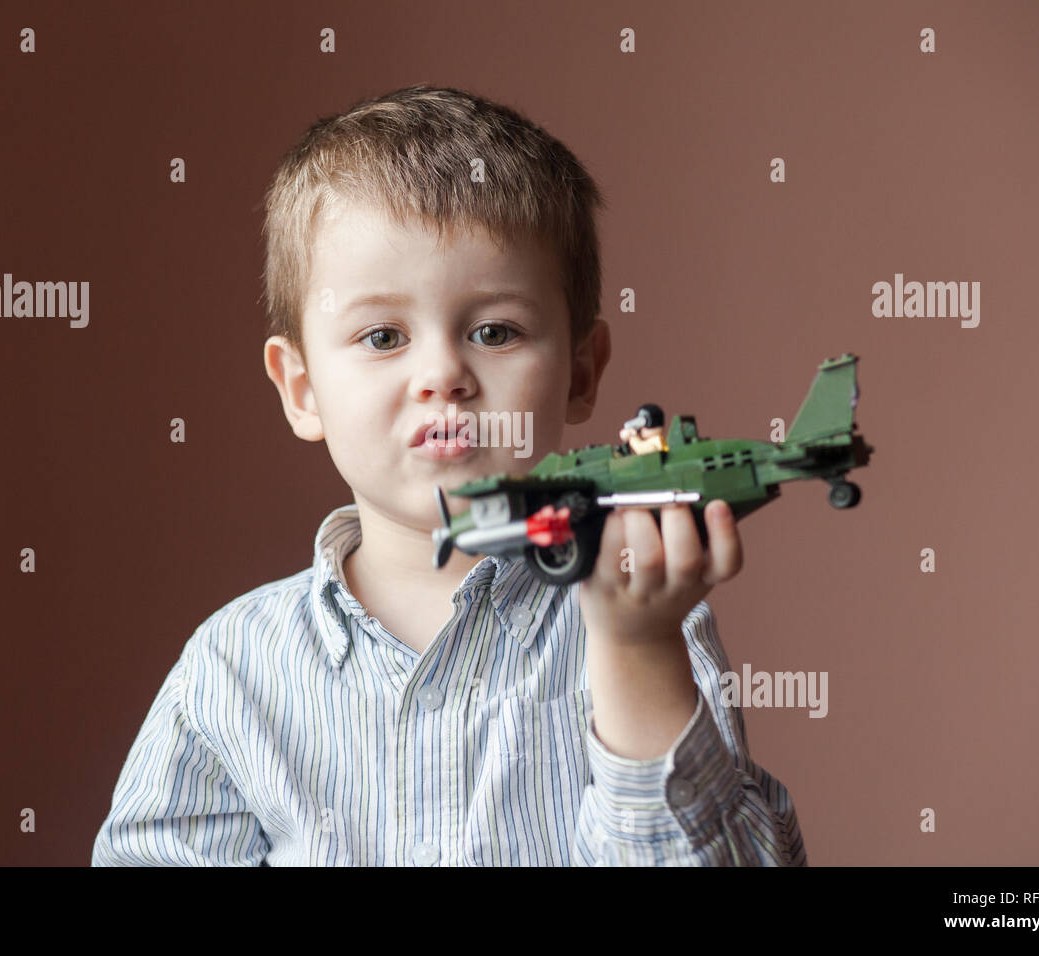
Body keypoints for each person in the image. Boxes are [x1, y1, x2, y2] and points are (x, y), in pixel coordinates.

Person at [91, 85, 805, 866]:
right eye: (382, 335)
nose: (442, 373)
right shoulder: (233, 668)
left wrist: (637, 653)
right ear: (301, 389)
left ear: (579, 373)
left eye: (495, 331)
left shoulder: (646, 614)